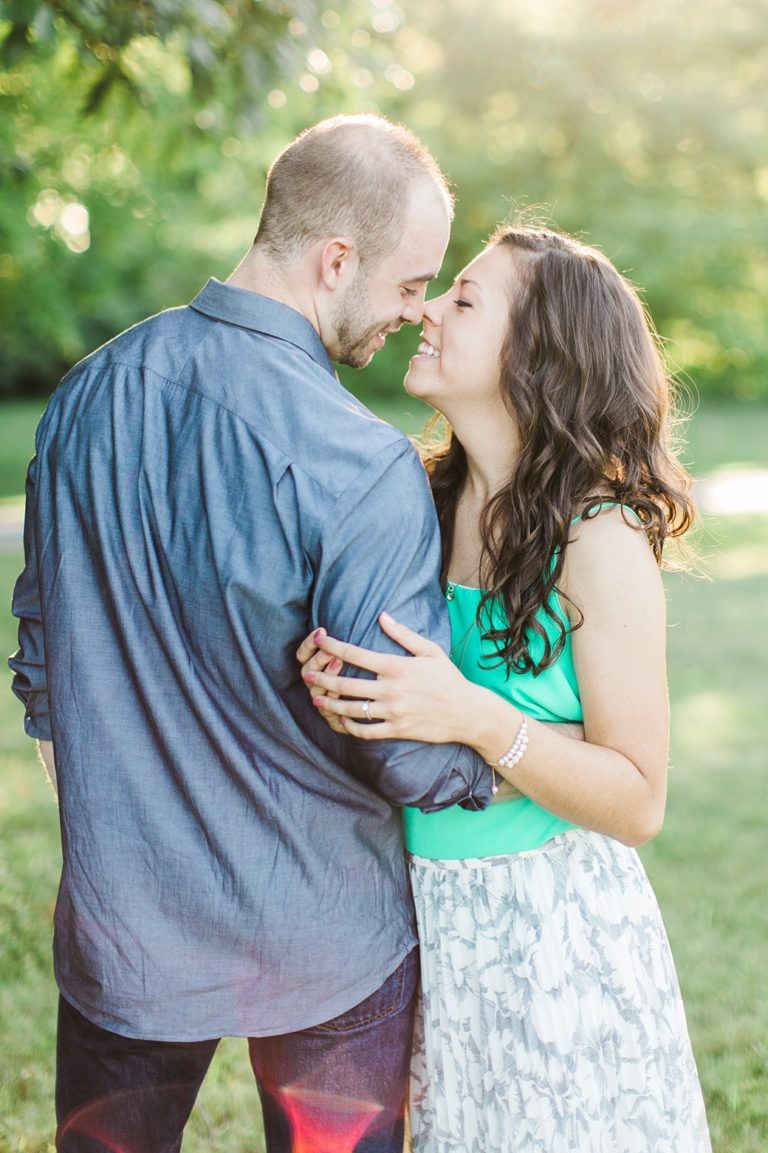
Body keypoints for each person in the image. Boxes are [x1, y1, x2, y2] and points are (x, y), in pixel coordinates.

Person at [8, 114, 496, 1153]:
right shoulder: (362, 465)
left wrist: (118, 805)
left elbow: (40, 662)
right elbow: (403, 747)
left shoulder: (86, 394)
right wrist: (499, 763)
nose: (417, 314)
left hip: (126, 926)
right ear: (335, 262)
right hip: (324, 939)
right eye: (413, 285)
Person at [298, 225, 712, 1151]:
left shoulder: (598, 543)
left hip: (551, 931)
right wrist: (345, 681)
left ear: (537, 353)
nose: (428, 309)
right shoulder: (412, 501)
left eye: (465, 300)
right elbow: (401, 711)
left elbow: (638, 797)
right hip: (417, 923)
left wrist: (476, 716)